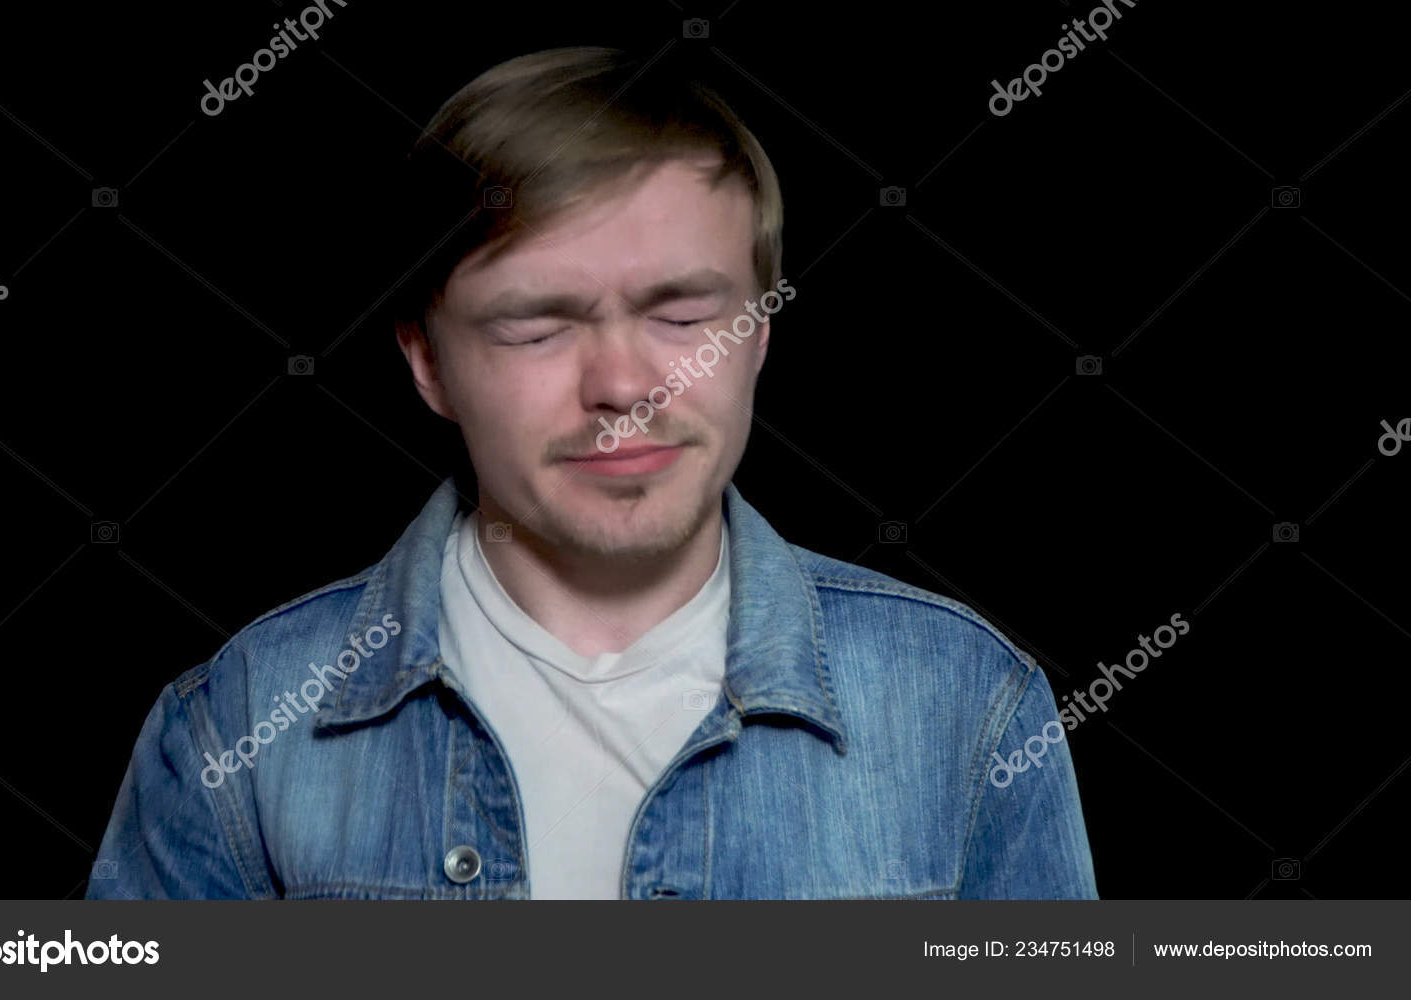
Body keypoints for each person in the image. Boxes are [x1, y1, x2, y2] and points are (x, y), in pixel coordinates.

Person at [88, 47, 1097, 900]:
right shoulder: (235, 722)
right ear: (429, 362)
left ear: (756, 334)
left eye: (684, 315)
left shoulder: (967, 701)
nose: (623, 384)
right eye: (534, 325)